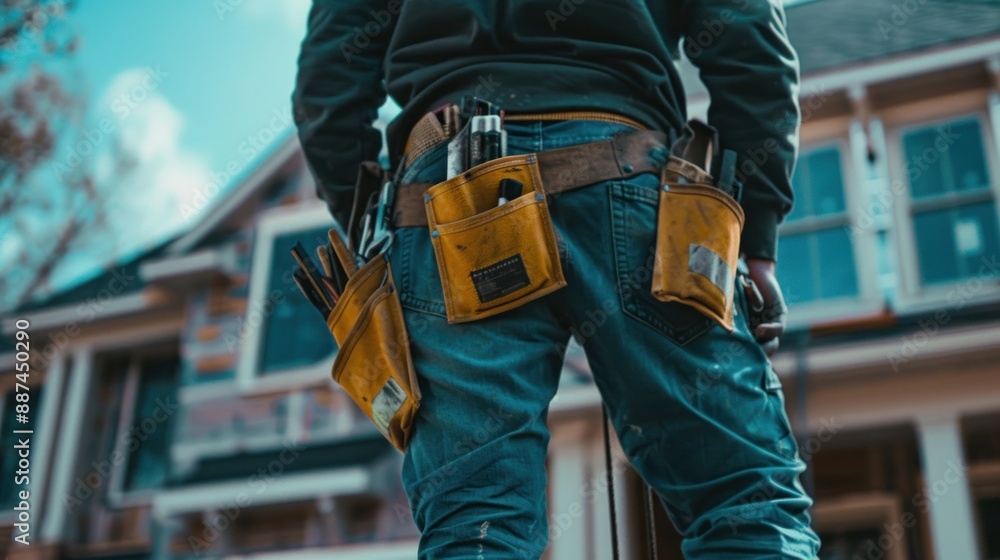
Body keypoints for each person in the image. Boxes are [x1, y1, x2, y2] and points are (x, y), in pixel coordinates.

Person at [293, 0, 821, 557]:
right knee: (743, 501)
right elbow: (749, 39)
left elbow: (327, 85)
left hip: (446, 200)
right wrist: (756, 234)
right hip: (629, 175)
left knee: (477, 520)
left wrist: (381, 225)